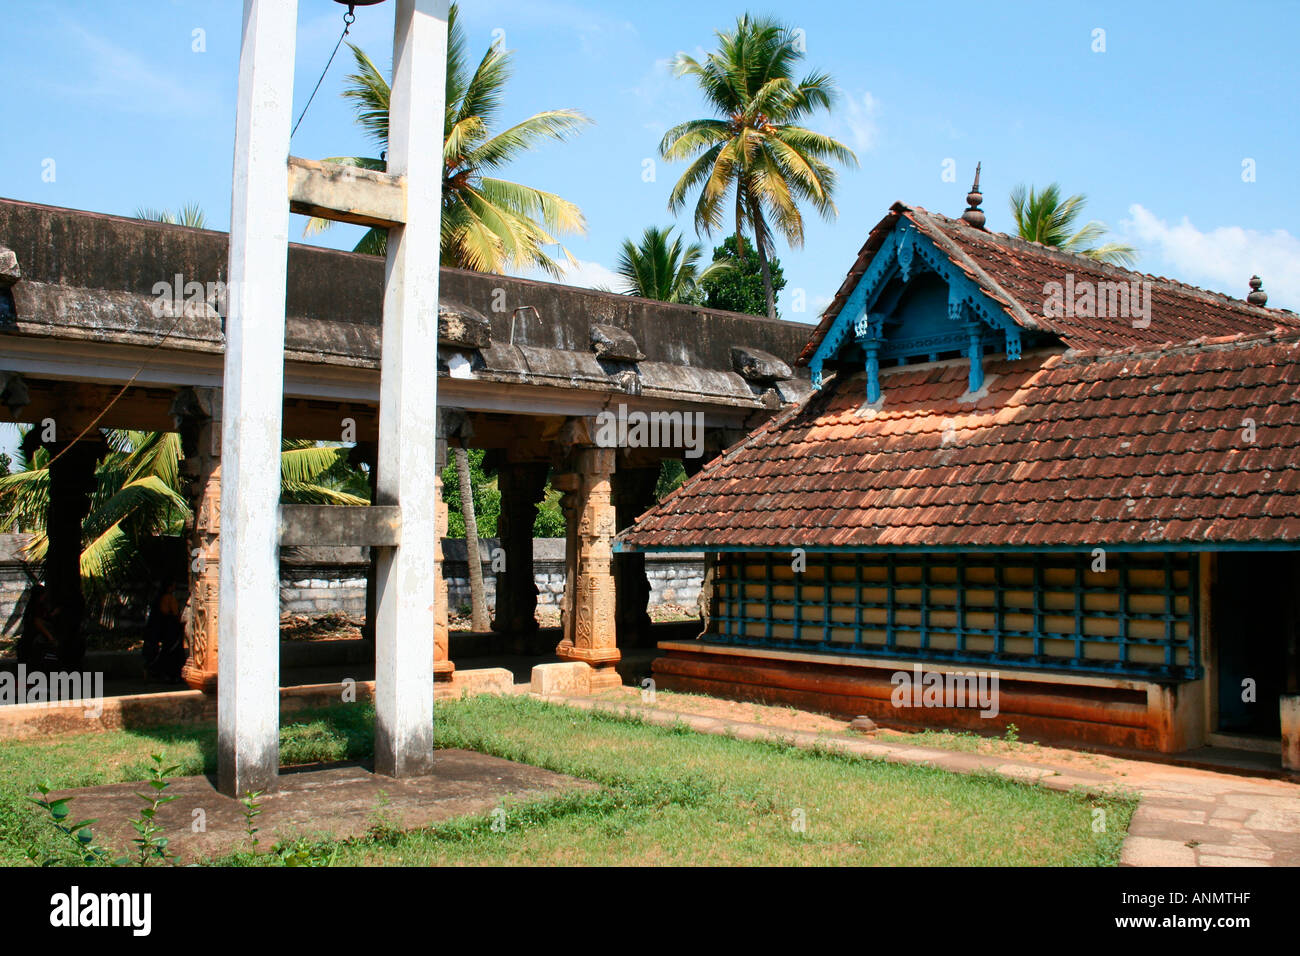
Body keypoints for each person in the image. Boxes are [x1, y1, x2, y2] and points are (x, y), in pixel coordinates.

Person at [142, 577, 186, 683]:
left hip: (163, 629)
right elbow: (174, 614)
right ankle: (169, 674)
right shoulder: (168, 598)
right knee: (172, 652)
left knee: (165, 651)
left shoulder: (159, 599)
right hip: (170, 629)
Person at [15, 584, 60, 672]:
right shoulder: (37, 606)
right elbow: (38, 622)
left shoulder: (32, 606)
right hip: (33, 640)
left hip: (28, 639)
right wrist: (50, 637)